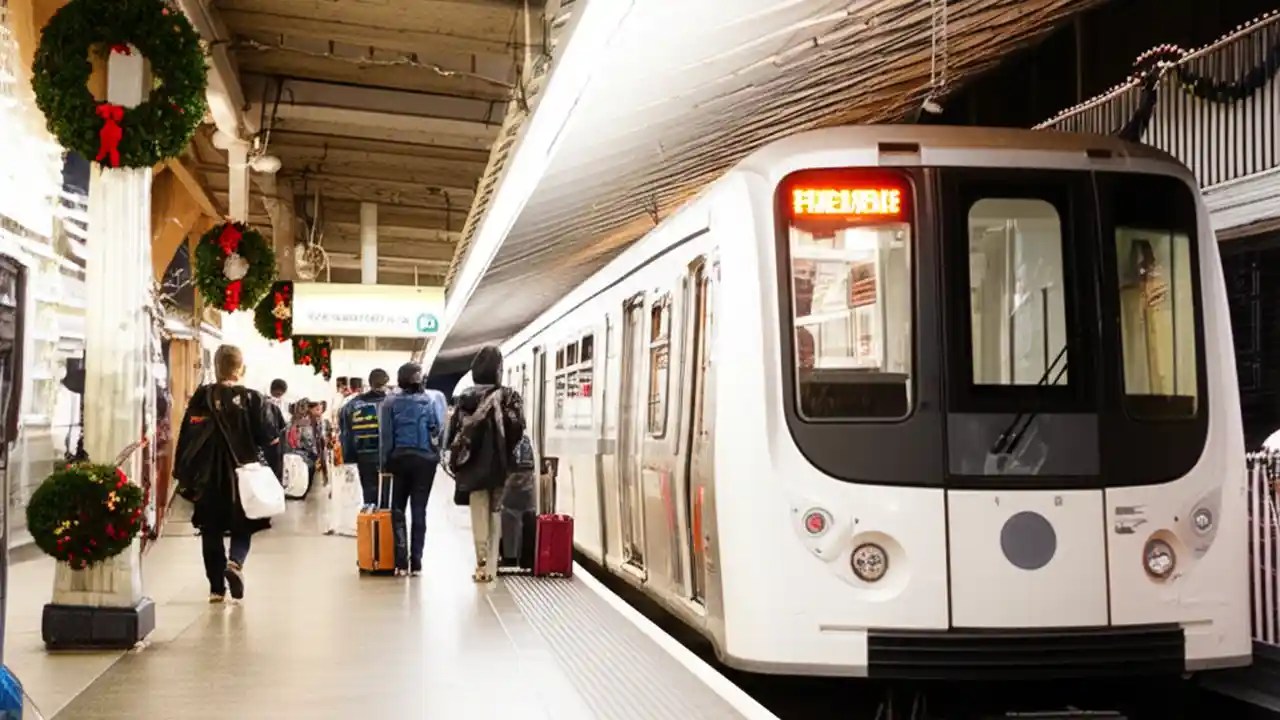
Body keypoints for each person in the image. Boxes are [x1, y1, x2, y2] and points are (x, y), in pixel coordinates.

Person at [173, 345, 277, 603]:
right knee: (245, 523)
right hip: (242, 475)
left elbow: (186, 437)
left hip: (206, 477)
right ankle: (236, 563)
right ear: (240, 368)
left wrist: (182, 474)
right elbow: (270, 438)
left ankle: (216, 589)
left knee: (211, 529)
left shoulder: (201, 397)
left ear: (216, 367)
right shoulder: (252, 398)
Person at [447, 346, 526, 583]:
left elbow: (452, 435)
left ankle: (481, 561)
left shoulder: (464, 400)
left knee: (478, 511)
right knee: (496, 511)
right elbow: (518, 428)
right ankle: (492, 564)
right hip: (500, 464)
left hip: (473, 466)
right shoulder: (509, 396)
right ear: (498, 370)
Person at [379, 362, 446, 576]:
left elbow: (386, 437)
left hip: (400, 459)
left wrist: (384, 463)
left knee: (398, 510)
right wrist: (436, 454)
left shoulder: (389, 403)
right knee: (419, 510)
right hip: (425, 460)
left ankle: (400, 563)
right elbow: (437, 428)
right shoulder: (431, 400)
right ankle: (416, 563)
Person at [339, 368, 391, 506]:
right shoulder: (393, 403)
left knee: (368, 491)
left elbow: (346, 433)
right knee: (387, 491)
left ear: (369, 383)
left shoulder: (352, 405)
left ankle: (370, 520)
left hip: (364, 454)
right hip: (389, 455)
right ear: (387, 382)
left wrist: (349, 456)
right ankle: (385, 520)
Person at [285, 398, 322, 497]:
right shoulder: (305, 422)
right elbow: (309, 440)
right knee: (305, 476)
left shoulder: (291, 422)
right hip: (304, 455)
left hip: (294, 454)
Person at [262, 379, 289, 481]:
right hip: (273, 439)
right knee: (275, 467)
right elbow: (283, 424)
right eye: (280, 393)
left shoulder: (264, 402)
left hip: (270, 439)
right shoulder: (271, 404)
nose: (280, 395)